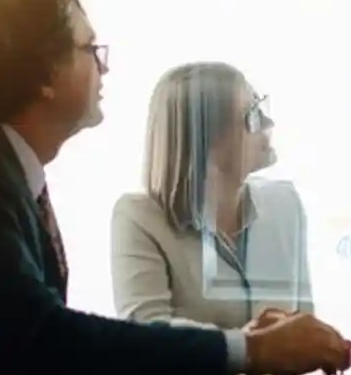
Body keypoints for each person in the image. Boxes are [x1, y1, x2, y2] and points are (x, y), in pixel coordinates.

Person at [0, 0, 350, 375]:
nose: (103, 67)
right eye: (90, 50)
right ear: (45, 74)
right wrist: (249, 349)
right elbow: (40, 336)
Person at [111, 62, 313, 329]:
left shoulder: (285, 205)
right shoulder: (139, 218)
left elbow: (304, 326)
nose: (268, 123)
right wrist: (253, 349)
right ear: (208, 139)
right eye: (252, 115)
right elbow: (148, 340)